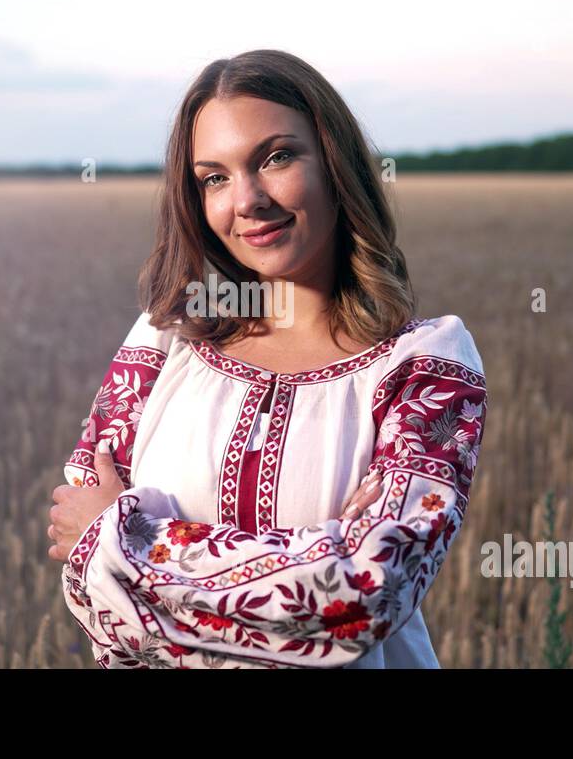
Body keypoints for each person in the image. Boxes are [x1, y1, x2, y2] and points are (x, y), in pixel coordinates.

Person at [47, 49, 488, 668]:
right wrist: (314, 559)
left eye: (276, 157)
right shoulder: (163, 341)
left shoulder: (425, 367)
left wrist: (130, 544)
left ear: (337, 164)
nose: (247, 199)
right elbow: (83, 567)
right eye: (214, 177)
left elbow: (369, 592)